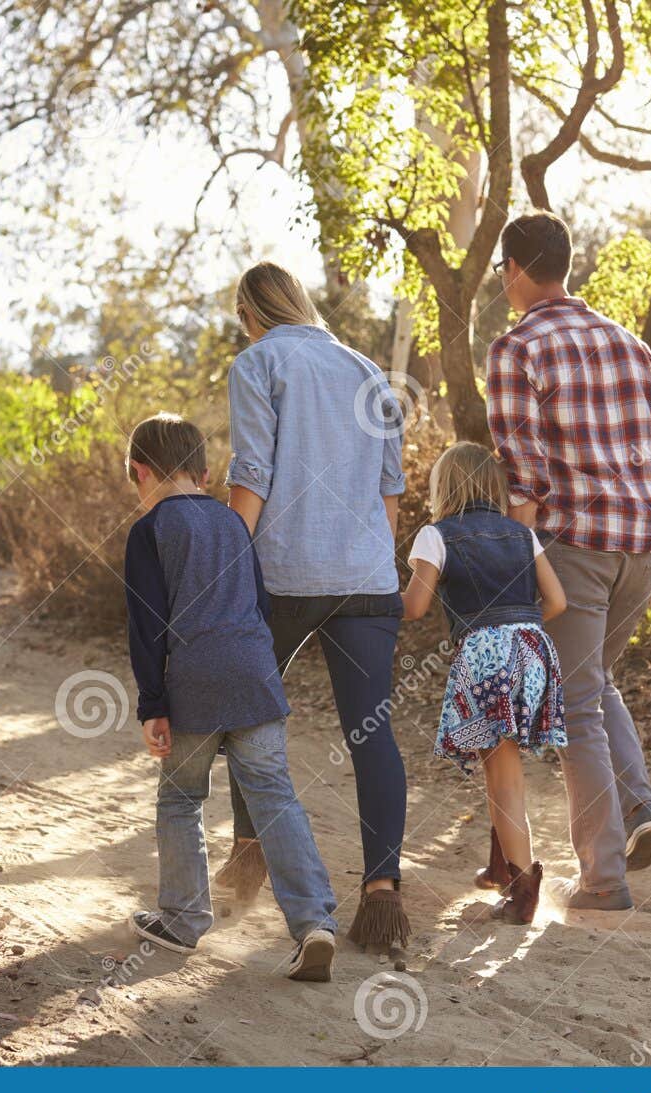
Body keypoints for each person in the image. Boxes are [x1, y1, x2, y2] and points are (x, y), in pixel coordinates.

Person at [485, 210, 651, 916]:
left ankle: (603, 877)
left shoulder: (517, 349)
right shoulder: (632, 346)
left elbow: (526, 478)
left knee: (574, 705)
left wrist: (516, 572)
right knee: (591, 683)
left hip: (573, 550)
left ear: (514, 269)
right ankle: (639, 809)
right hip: (639, 545)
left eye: (500, 272)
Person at [217, 261, 412, 951]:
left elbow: (253, 475)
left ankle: (249, 857)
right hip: (367, 575)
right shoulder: (365, 369)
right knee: (372, 732)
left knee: (245, 713)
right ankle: (382, 894)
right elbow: (392, 488)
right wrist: (373, 567)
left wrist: (226, 565)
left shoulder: (258, 363)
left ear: (250, 314)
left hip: (283, 574)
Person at [121, 412, 339, 981]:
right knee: (275, 797)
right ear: (206, 471)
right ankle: (314, 923)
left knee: (181, 796)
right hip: (255, 676)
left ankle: (184, 918)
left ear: (139, 472)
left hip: (195, 680)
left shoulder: (149, 532)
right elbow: (261, 606)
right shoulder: (233, 524)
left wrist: (152, 705)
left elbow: (146, 626)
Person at [400, 442, 568, 923]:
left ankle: (522, 885)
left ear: (443, 487)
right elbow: (556, 602)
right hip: (534, 650)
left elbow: (414, 607)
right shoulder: (521, 534)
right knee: (501, 764)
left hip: (485, 656)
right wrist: (519, 628)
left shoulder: (437, 535)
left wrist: (365, 599)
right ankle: (503, 867)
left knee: (502, 772)